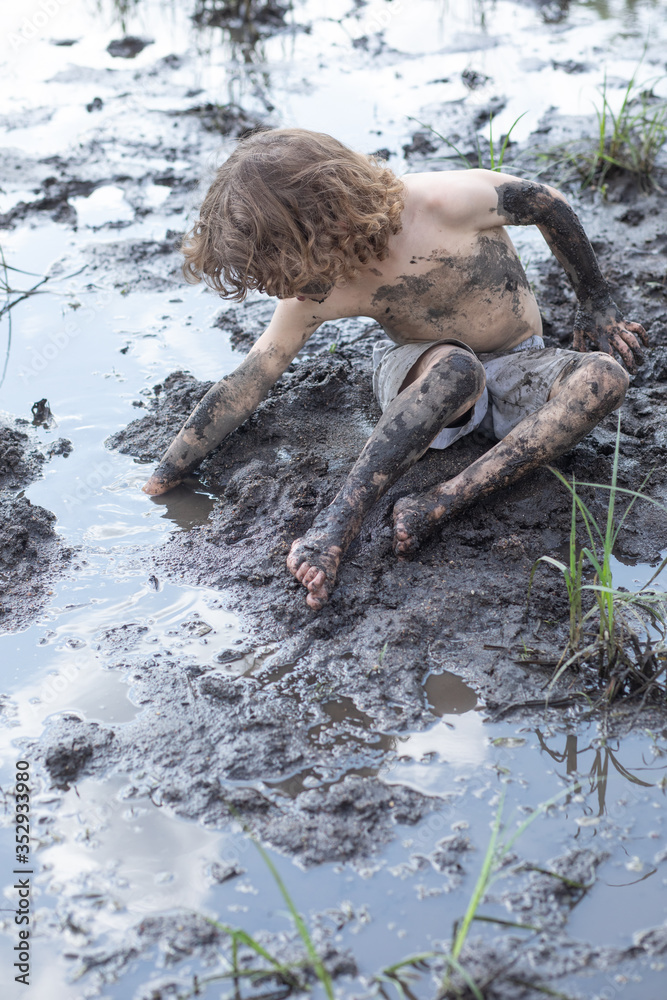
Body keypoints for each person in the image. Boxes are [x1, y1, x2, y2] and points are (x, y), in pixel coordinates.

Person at [142, 127, 647, 610]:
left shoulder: (441, 204)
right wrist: (169, 470)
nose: (286, 293)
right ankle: (338, 522)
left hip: (521, 364)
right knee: (458, 371)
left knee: (605, 377)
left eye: (291, 272)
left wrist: (595, 303)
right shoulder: (315, 292)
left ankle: (443, 501)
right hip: (424, 376)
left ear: (330, 223)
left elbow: (546, 202)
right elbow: (248, 381)